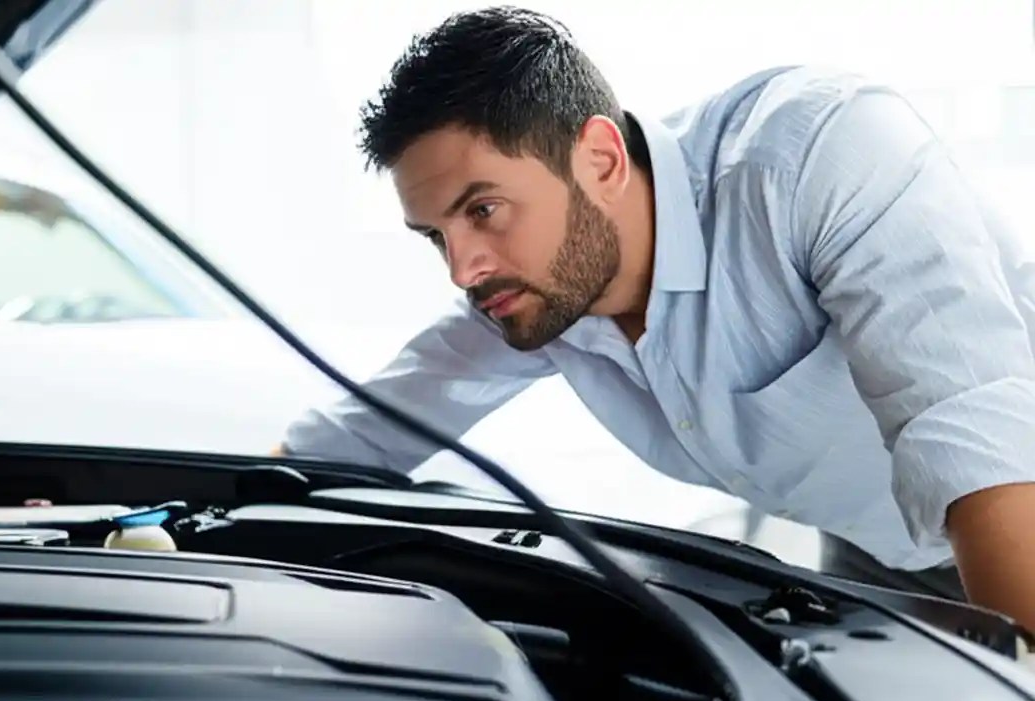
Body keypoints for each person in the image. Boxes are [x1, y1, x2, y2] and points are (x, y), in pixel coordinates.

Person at [274, 6, 1035, 628]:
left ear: (599, 161)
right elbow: (361, 435)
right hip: (876, 552)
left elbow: (974, 435)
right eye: (437, 234)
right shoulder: (540, 287)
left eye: (483, 209)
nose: (461, 266)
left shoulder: (814, 158)